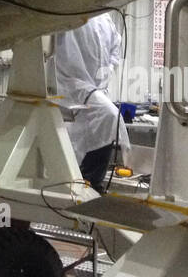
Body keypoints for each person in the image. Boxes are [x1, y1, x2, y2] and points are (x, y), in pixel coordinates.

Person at [53, 13, 130, 193]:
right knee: (109, 116)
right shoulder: (67, 9)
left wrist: (107, 71)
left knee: (104, 122)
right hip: (69, 82)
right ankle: (90, 182)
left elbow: (115, 47)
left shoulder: (105, 17)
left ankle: (87, 182)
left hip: (95, 86)